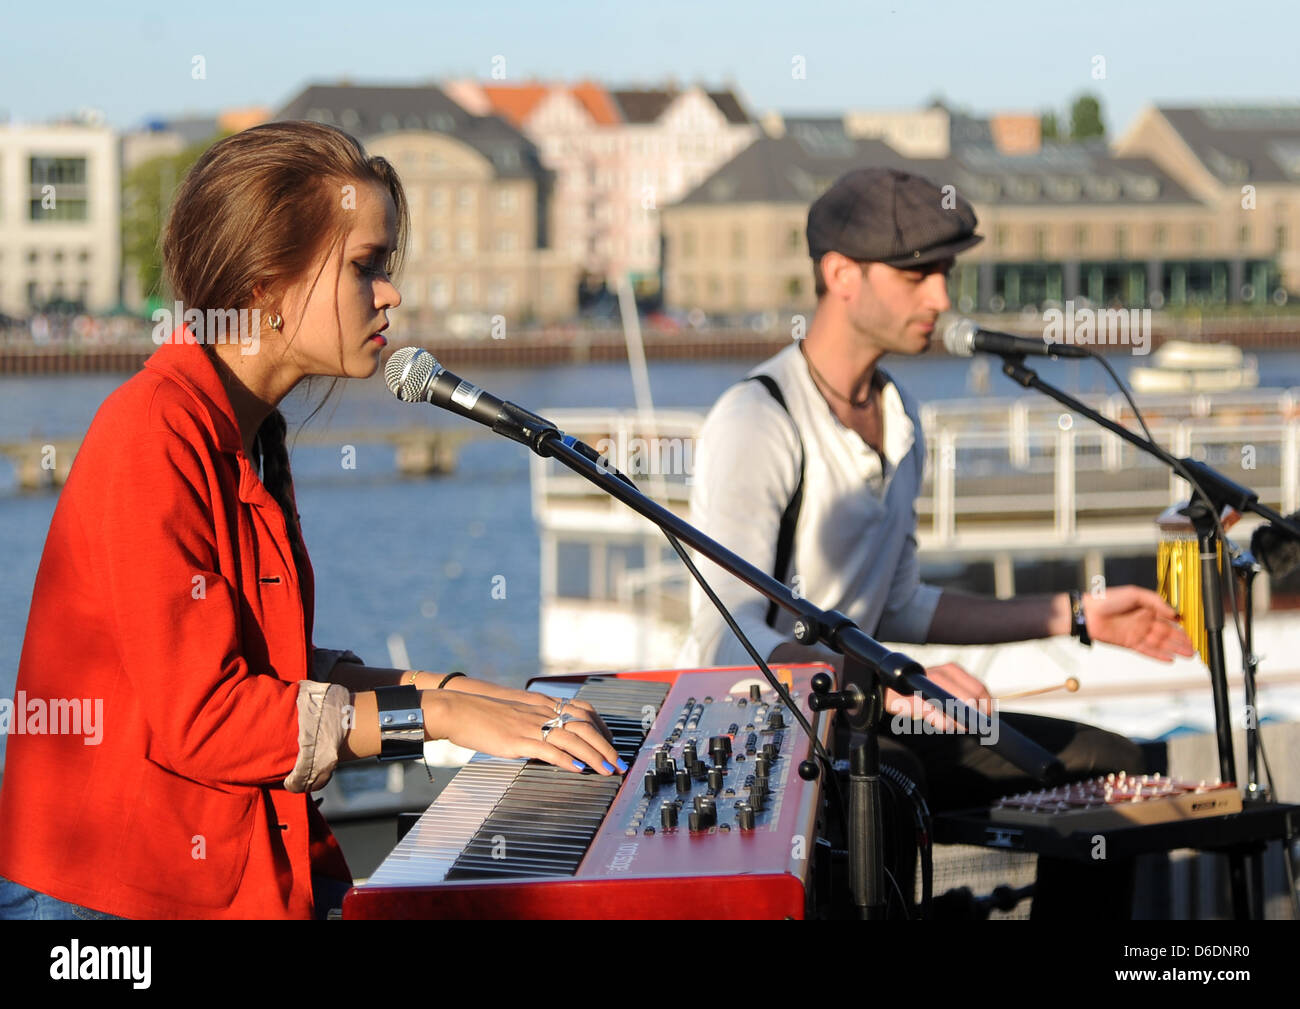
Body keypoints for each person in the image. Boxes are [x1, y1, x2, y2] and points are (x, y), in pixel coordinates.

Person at [0, 121, 626, 921]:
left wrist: (475, 697)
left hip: (234, 872)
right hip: (112, 901)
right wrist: (435, 715)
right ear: (265, 286)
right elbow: (210, 717)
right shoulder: (152, 432)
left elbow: (276, 669)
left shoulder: (250, 432)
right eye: (366, 266)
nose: (391, 293)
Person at [682, 166, 1195, 917]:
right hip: (781, 734)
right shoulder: (756, 419)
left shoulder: (903, 415)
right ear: (840, 275)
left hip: (875, 716)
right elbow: (726, 641)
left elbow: (902, 606)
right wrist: (881, 677)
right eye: (919, 273)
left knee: (1108, 768)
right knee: (891, 783)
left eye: (946, 273)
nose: (943, 299)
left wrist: (1077, 615)